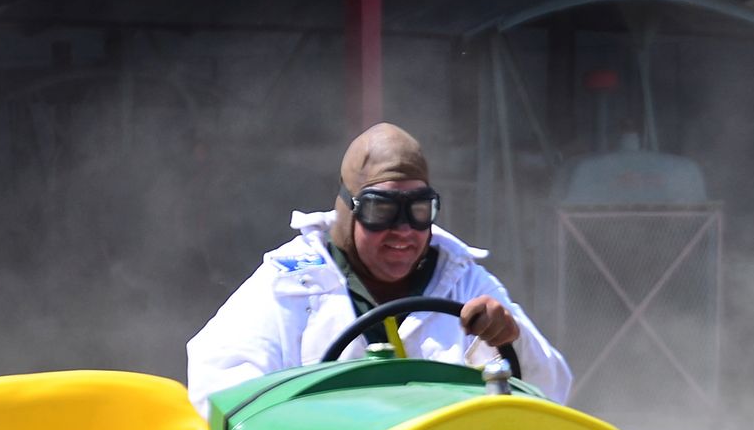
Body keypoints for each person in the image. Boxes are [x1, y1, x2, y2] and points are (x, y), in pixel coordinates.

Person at [185, 123, 572, 413]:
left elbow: (551, 391)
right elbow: (218, 391)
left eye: (419, 210)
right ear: (347, 210)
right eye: (381, 210)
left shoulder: (465, 280)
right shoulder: (292, 282)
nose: (403, 231)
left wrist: (511, 338)